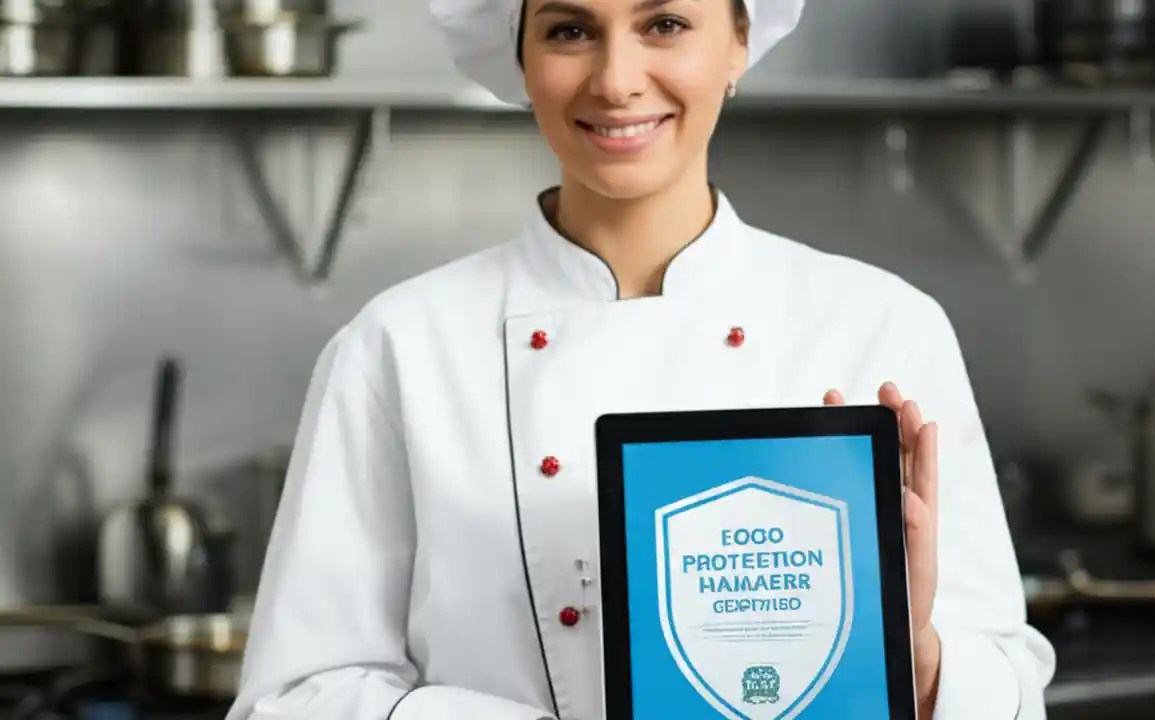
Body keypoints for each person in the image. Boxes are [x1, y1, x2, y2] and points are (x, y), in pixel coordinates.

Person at [226, 0, 1056, 718]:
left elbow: (1012, 690)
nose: (617, 79)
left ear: (740, 39)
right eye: (569, 30)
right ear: (519, 56)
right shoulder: (399, 348)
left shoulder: (881, 326)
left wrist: (912, 654)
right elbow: (295, 701)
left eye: (664, 23)